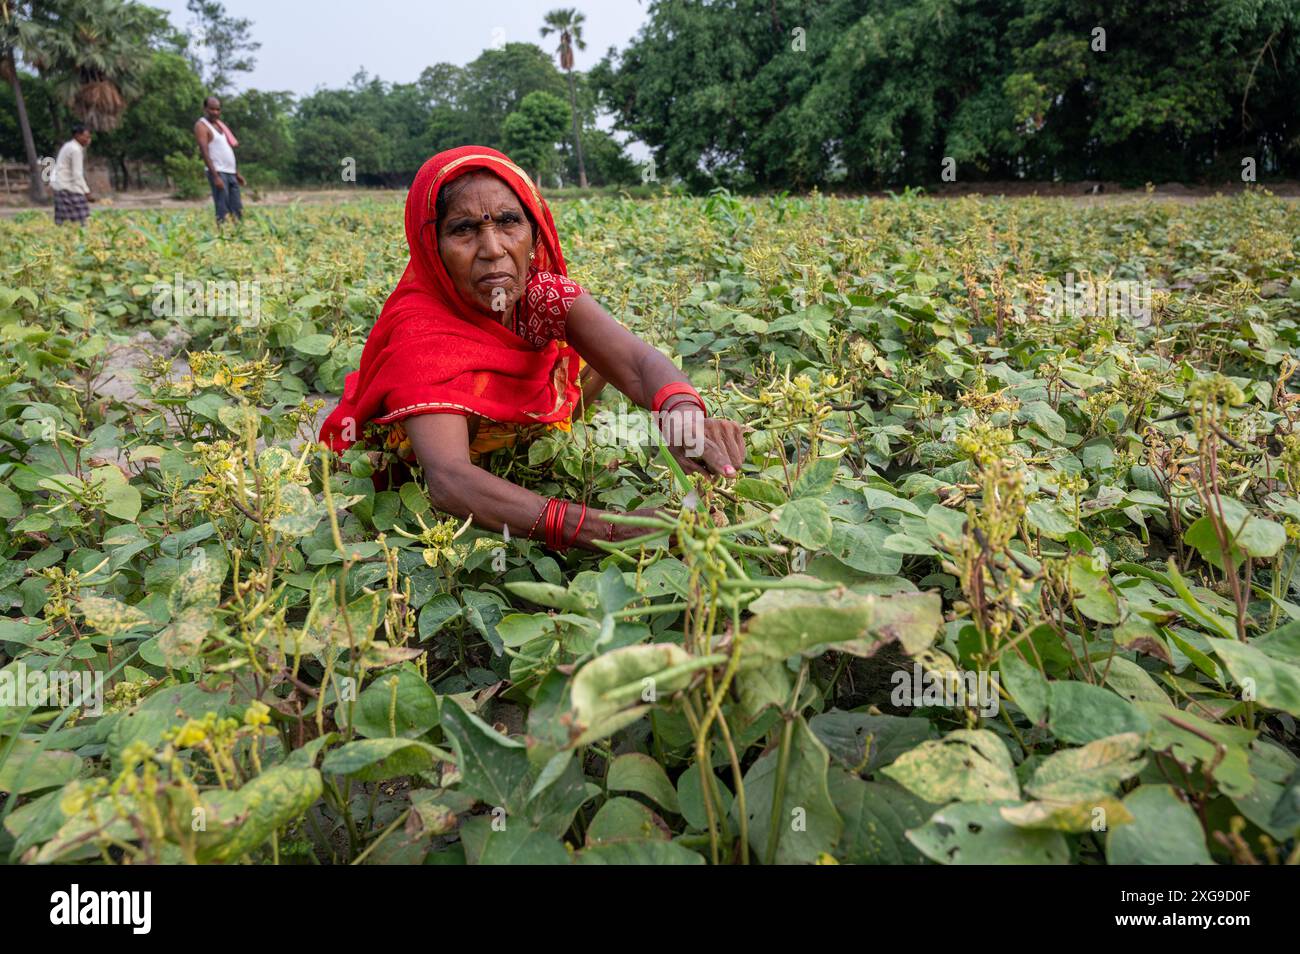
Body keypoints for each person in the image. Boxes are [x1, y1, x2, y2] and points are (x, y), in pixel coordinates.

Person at [320, 146, 747, 552]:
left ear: (533, 231)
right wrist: (605, 529)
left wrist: (684, 419)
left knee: (600, 351)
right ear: (432, 246)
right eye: (463, 230)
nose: (493, 249)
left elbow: (636, 362)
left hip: (513, 436)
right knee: (453, 430)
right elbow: (449, 480)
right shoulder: (422, 333)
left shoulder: (539, 294)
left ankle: (530, 449)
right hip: (424, 462)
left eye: (509, 222)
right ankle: (507, 482)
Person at [194, 96, 245, 227]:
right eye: (212, 109)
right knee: (223, 208)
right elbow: (204, 151)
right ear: (205, 109)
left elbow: (226, 151)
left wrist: (236, 173)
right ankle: (222, 238)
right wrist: (215, 176)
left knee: (237, 208)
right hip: (218, 172)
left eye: (218, 109)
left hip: (230, 172)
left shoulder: (220, 125)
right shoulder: (201, 126)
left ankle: (238, 236)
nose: (215, 112)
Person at [51, 123, 95, 226]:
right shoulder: (75, 150)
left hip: (60, 185)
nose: (88, 140)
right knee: (82, 218)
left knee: (64, 220)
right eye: (86, 137)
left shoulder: (68, 146)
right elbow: (77, 174)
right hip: (68, 187)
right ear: (77, 136)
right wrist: (87, 192)